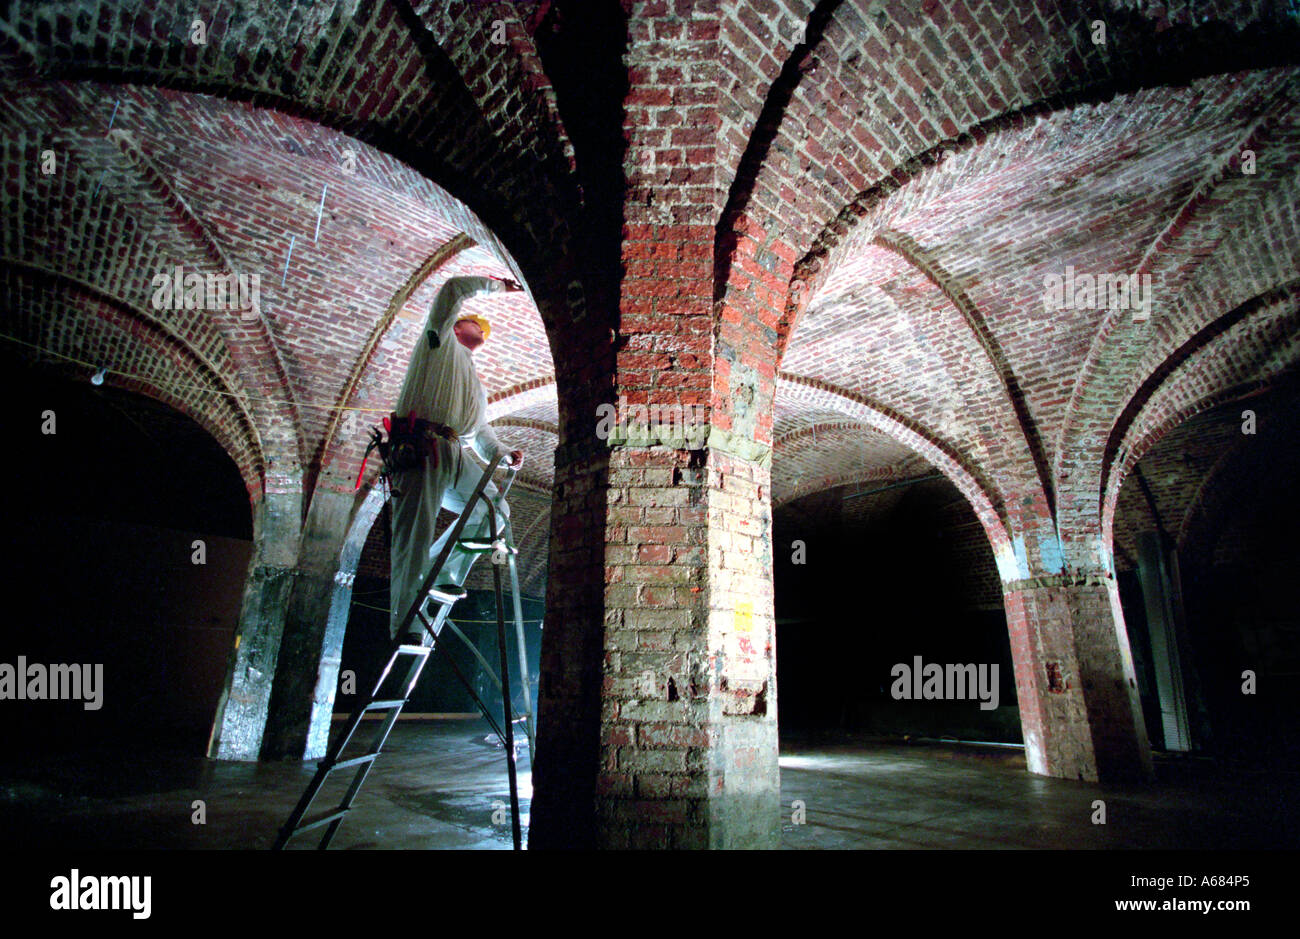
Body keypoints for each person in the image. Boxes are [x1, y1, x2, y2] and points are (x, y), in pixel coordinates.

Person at [388, 275, 524, 638]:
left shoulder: (475, 383)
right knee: (414, 534)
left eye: (483, 328)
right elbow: (452, 290)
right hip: (420, 442)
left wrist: (503, 453)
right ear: (458, 324)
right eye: (474, 323)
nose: (480, 329)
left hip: (453, 449)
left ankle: (443, 571)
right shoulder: (437, 341)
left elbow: (480, 433)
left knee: (495, 510)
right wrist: (496, 287)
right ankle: (406, 622)